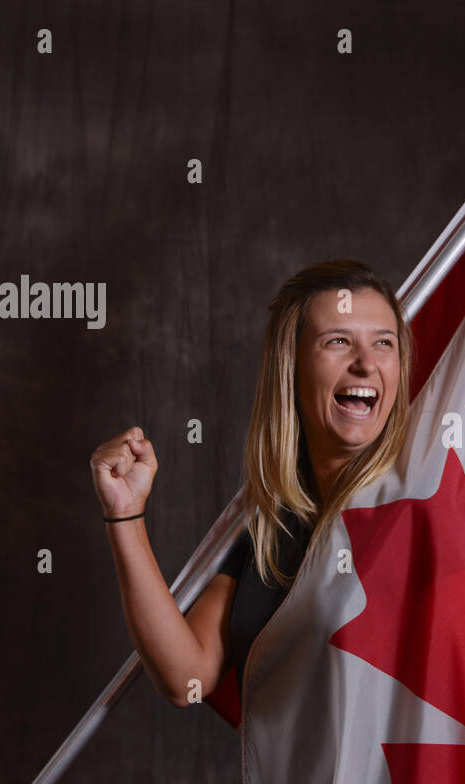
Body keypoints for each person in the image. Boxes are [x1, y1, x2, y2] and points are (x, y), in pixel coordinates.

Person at [89, 260, 413, 710]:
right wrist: (125, 514)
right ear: (291, 365)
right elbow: (187, 679)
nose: (365, 364)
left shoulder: (420, 511)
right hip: (293, 782)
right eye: (338, 341)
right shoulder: (271, 527)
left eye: (384, 343)